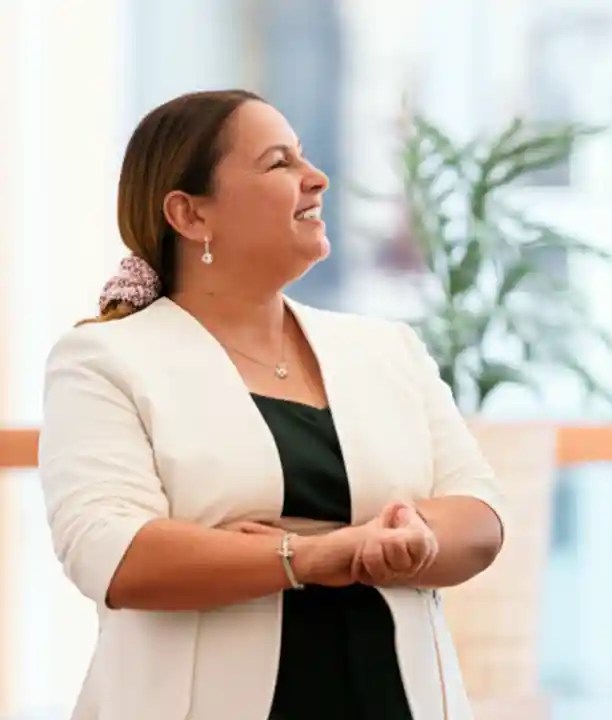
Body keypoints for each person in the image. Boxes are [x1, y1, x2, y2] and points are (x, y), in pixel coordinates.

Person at [38, 89, 505, 720]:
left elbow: (478, 516)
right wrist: (312, 557)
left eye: (303, 157)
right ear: (190, 215)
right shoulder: (104, 359)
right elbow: (113, 553)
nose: (317, 178)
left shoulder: (387, 349)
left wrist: (410, 538)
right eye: (279, 162)